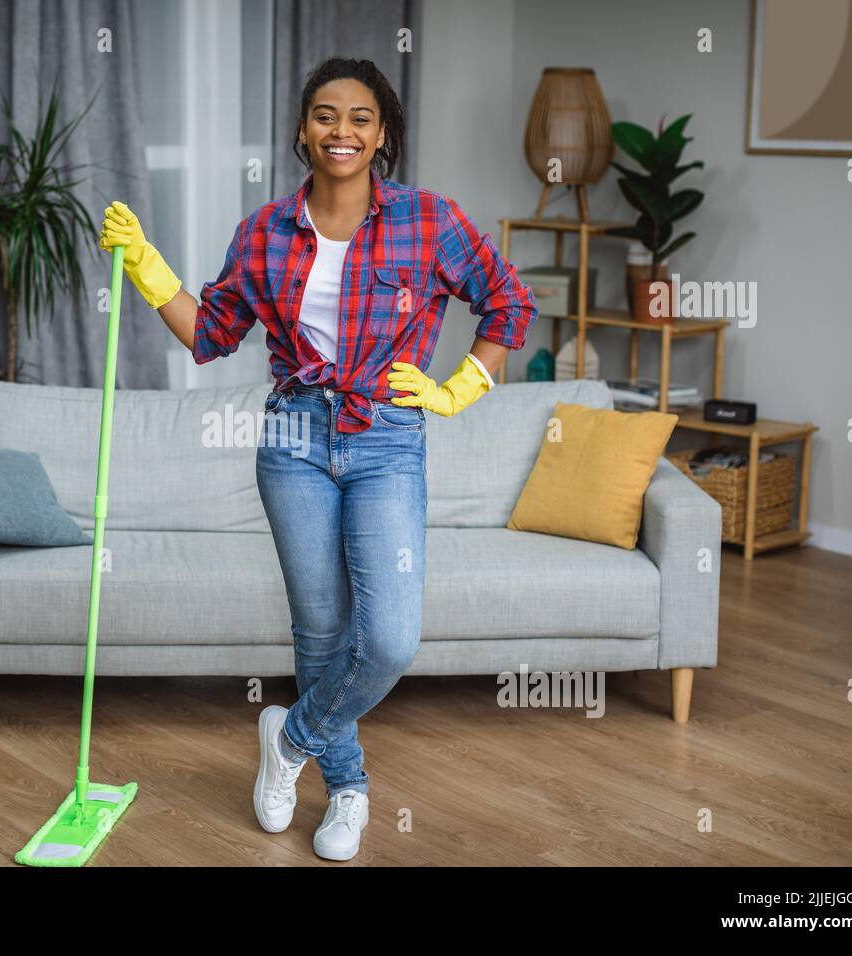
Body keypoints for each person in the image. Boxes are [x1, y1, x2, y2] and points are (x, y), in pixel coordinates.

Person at [99, 56, 537, 862]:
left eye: (361, 117)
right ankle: (348, 791)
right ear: (303, 130)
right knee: (323, 630)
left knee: (393, 638)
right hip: (293, 441)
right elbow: (211, 334)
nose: (343, 130)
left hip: (387, 439)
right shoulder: (265, 230)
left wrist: (459, 388)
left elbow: (510, 301)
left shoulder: (428, 220)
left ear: (383, 135)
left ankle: (288, 737)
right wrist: (148, 267)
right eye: (326, 115)